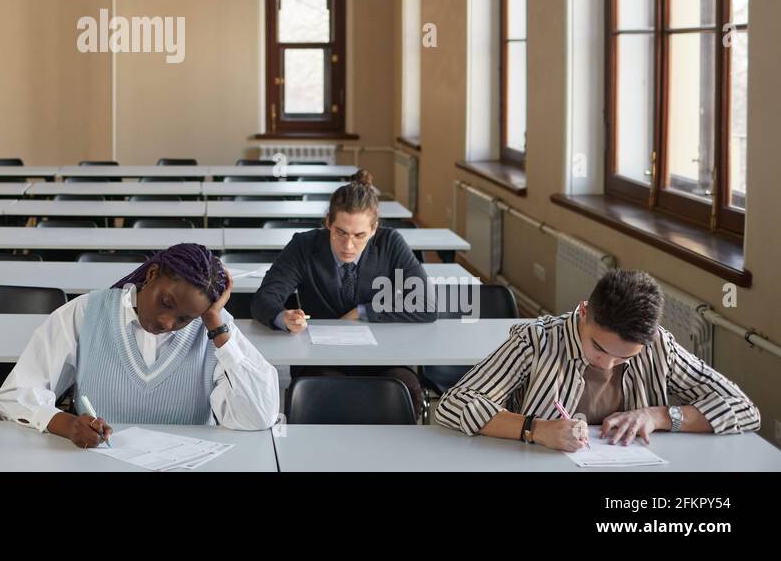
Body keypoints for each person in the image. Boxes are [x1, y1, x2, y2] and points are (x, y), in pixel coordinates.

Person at [0, 243, 280, 448]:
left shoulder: (214, 328)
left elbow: (258, 415)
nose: (168, 322)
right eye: (165, 303)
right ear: (151, 275)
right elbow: (15, 393)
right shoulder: (86, 312)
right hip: (96, 462)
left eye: (184, 318)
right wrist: (65, 424)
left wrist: (216, 324)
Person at [435, 268, 760, 450]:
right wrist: (535, 429)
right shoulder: (537, 340)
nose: (605, 364)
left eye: (623, 359)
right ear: (583, 312)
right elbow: (455, 404)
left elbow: (744, 409)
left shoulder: (658, 346)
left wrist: (659, 416)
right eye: (599, 348)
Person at [250, 170, 434, 414]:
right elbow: (263, 300)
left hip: (382, 358)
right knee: (324, 394)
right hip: (321, 358)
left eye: (360, 236)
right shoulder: (304, 246)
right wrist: (282, 317)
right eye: (340, 233)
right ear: (328, 222)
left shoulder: (390, 243)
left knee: (409, 393)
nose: (349, 246)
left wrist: (362, 312)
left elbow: (425, 303)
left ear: (374, 229)